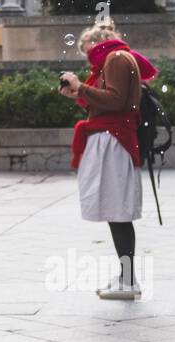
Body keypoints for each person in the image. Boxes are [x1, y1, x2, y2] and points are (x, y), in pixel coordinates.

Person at [59, 21, 158, 301]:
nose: (86, 56)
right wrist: (78, 92)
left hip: (115, 141)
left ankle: (129, 281)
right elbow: (103, 102)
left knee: (118, 212)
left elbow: (115, 101)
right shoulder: (111, 60)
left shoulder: (115, 58)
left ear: (97, 42)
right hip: (112, 139)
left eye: (86, 49)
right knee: (116, 211)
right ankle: (126, 277)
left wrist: (82, 87)